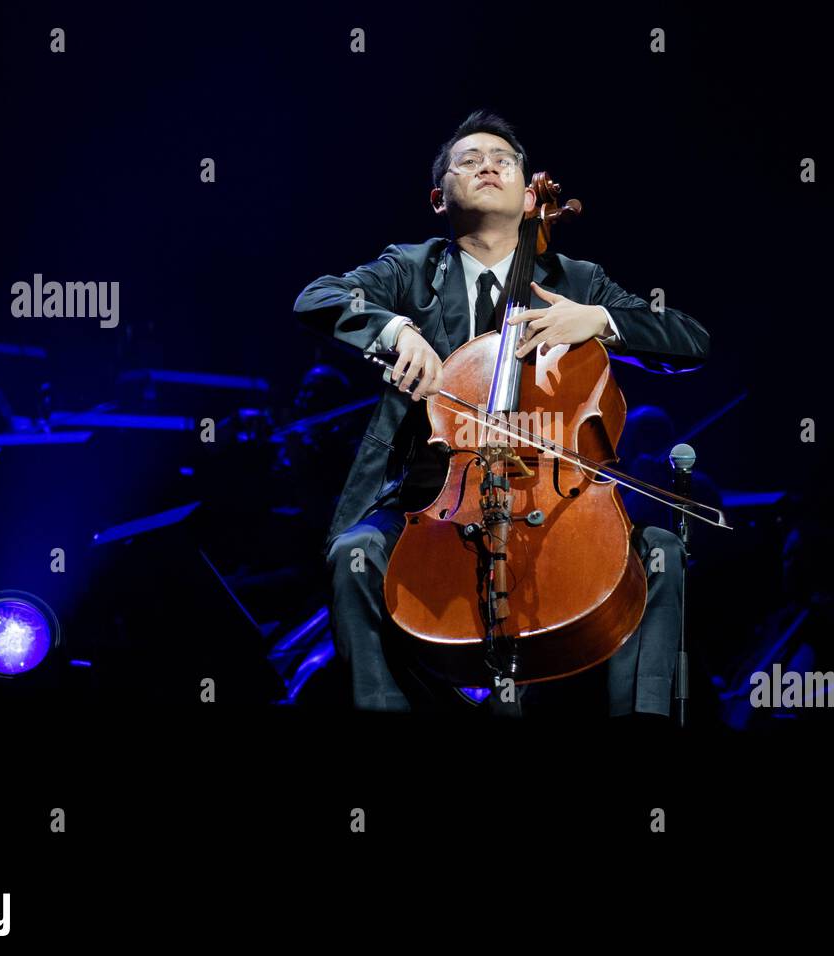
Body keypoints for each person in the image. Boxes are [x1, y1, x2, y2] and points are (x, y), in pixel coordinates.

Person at [293, 110, 709, 717]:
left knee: (661, 554)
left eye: (504, 160)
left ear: (526, 190)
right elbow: (316, 296)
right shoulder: (411, 270)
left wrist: (601, 321)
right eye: (469, 160)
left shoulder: (578, 280)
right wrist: (394, 329)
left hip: (557, 509)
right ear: (440, 198)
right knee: (354, 554)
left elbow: (691, 339)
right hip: (430, 508)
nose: (488, 166)